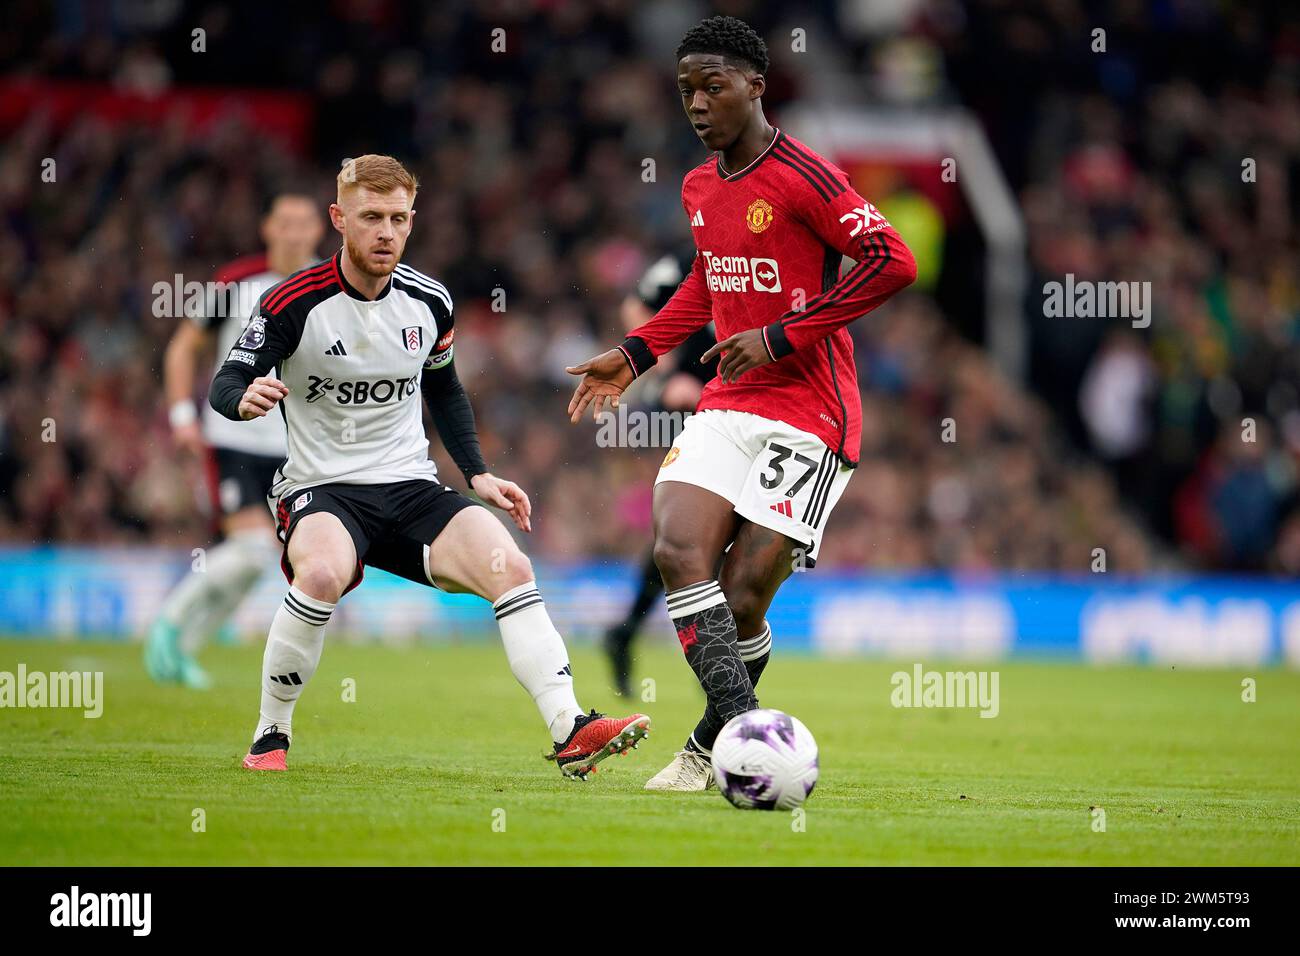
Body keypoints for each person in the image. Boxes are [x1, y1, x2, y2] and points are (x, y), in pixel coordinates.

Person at [209, 154, 650, 776]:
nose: (385, 232)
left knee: (512, 566)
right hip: (323, 489)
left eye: (397, 218)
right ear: (339, 219)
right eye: (370, 218)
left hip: (412, 487)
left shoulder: (429, 301)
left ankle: (572, 729)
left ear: (412, 221)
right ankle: (270, 733)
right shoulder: (292, 303)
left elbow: (445, 390)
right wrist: (243, 398)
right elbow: (226, 380)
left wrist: (477, 474)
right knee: (321, 575)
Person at [567, 16, 917, 791]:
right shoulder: (698, 185)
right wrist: (634, 353)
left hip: (813, 413)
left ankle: (703, 749)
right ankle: (744, 735)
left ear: (757, 87)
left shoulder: (808, 177)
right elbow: (707, 279)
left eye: (713, 86)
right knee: (674, 551)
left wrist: (787, 334)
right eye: (686, 89)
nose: (696, 104)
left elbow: (894, 260)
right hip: (729, 401)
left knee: (742, 598)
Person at [145, 194, 323, 689]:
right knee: (250, 550)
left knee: (263, 558)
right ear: (267, 227)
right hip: (235, 437)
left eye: (302, 223)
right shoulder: (235, 283)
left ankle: (182, 648)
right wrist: (183, 416)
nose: (292, 232)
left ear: (320, 229)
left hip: (301, 448)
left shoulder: (332, 287)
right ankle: (169, 622)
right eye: (283, 222)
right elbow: (184, 348)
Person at [603, 247, 715, 696]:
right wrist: (663, 365)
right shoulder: (686, 261)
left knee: (691, 535)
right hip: (690, 404)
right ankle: (712, 657)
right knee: (699, 530)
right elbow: (636, 304)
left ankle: (627, 631)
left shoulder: (767, 264)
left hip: (737, 401)